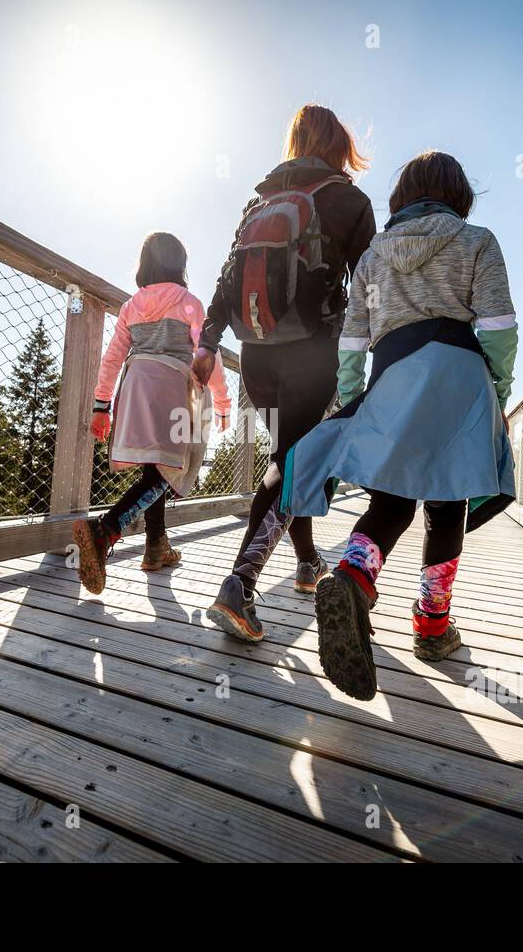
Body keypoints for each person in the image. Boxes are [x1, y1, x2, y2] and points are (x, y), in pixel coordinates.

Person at [281, 149, 519, 700]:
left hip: (393, 383)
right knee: (447, 504)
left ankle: (353, 577)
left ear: (401, 197)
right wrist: (495, 392)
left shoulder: (371, 258)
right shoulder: (477, 241)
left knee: (390, 501)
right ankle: (433, 628)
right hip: (461, 383)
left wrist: (353, 402)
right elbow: (500, 330)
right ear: (459, 194)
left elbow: (352, 342)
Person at [191, 104, 375, 643]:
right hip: (313, 350)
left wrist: (208, 342)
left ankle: (306, 563)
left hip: (257, 355)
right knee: (294, 464)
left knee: (291, 459)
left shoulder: (261, 199)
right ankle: (240, 586)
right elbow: (369, 288)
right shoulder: (348, 199)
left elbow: (229, 279)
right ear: (340, 148)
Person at [72, 232, 231, 594]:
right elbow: (211, 359)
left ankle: (156, 546)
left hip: (135, 383)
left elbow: (113, 357)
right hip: (172, 387)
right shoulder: (189, 302)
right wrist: (222, 404)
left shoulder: (132, 305)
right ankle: (107, 528)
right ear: (180, 264)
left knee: (154, 465)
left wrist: (101, 405)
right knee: (170, 467)